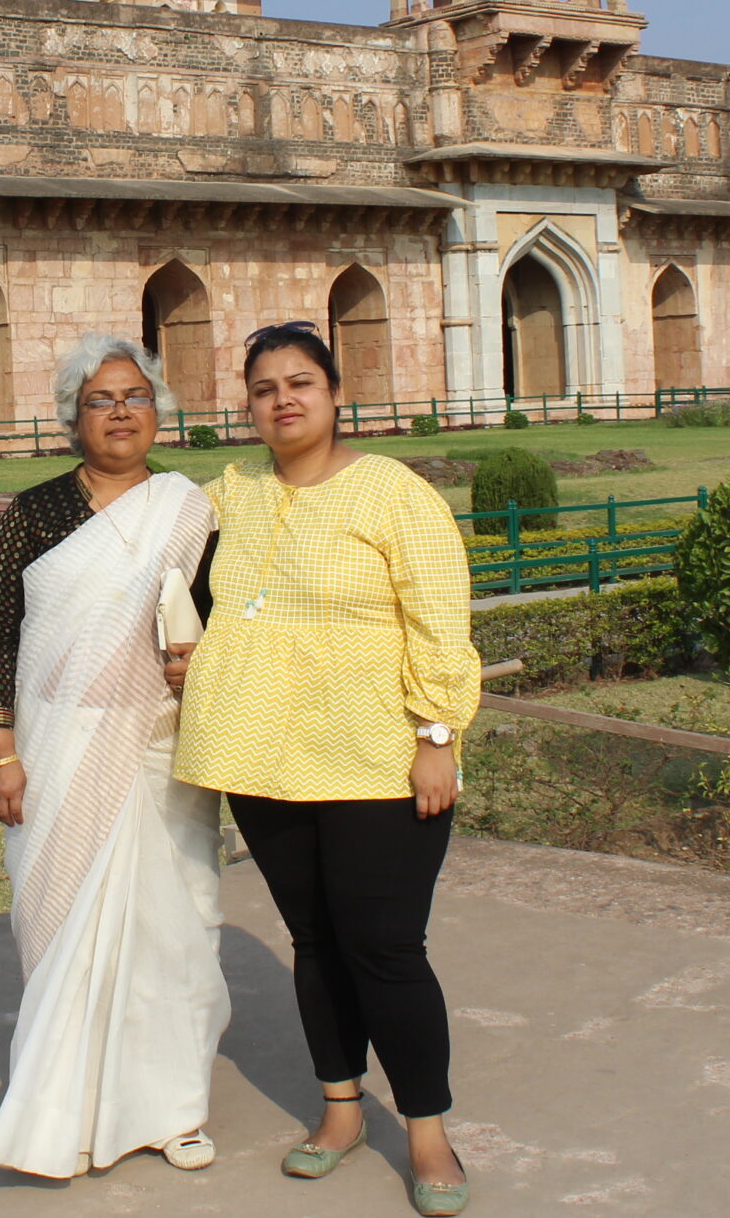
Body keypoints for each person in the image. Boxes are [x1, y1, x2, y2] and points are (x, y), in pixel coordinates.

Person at [173, 320, 481, 1216]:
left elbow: (438, 620)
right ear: (250, 407)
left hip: (377, 756)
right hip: (262, 755)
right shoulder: (233, 493)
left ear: (336, 393)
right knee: (314, 941)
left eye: (300, 382)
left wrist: (436, 737)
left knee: (385, 947)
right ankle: (340, 1107)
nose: (284, 400)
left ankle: (426, 1130)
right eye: (265, 389)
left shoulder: (393, 494)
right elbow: (160, 559)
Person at [0, 334, 227, 1180]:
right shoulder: (32, 514)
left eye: (136, 396)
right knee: (60, 917)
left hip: (158, 746)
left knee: (173, 926)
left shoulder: (188, 510)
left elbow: (219, 625)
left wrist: (206, 663)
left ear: (159, 410)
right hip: (55, 743)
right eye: (101, 399)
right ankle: (65, 1106)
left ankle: (174, 1107)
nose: (121, 411)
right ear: (72, 418)